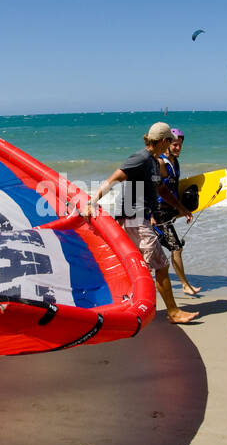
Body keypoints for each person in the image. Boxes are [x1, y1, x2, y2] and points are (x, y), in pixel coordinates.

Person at [82, 122, 197, 324]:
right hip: (133, 218)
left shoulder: (154, 162)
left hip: (140, 219)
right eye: (170, 140)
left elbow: (161, 190)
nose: (172, 144)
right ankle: (173, 312)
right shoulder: (141, 158)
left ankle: (128, 306)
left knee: (138, 266)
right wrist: (92, 200)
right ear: (163, 141)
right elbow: (115, 178)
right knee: (160, 265)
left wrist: (182, 208)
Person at [155, 129, 199, 296]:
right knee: (176, 247)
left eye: (180, 145)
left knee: (152, 250)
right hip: (158, 213)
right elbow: (151, 190)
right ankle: (185, 285)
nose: (178, 148)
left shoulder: (175, 163)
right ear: (166, 144)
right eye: (175, 145)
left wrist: (183, 209)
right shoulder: (160, 163)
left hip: (169, 212)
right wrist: (150, 215)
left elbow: (173, 190)